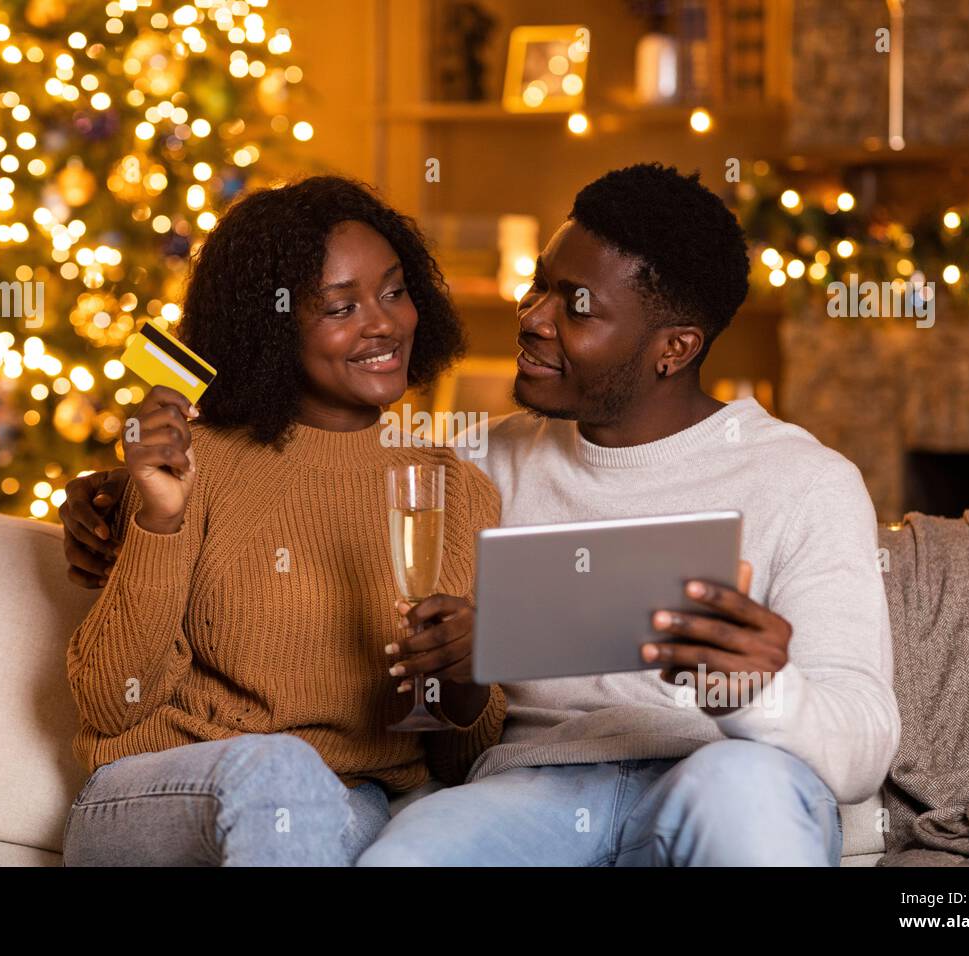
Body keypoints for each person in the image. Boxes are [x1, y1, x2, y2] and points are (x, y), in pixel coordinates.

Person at [65, 163, 900, 867]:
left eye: (575, 305)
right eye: (541, 282)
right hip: (527, 790)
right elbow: (303, 471)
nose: (531, 317)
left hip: (717, 767)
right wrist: (118, 504)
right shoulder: (476, 463)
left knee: (746, 794)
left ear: (673, 347)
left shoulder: (803, 481)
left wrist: (761, 691)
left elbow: (863, 745)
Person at [61, 176, 504, 867]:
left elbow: (462, 763)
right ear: (270, 327)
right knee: (278, 771)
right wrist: (157, 519)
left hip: (348, 807)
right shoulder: (190, 463)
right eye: (339, 307)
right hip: (158, 797)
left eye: (394, 291)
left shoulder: (457, 490)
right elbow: (110, 703)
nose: (383, 323)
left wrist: (469, 678)